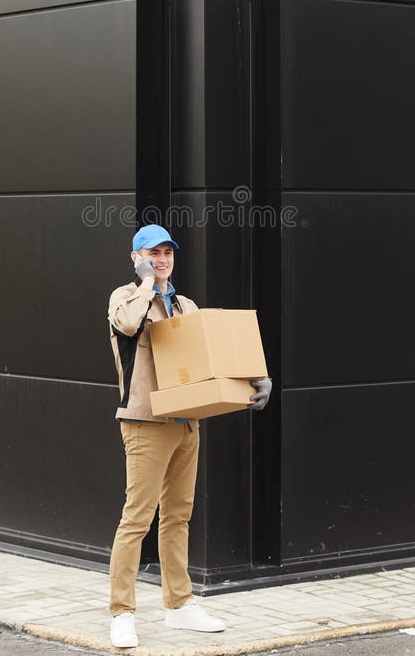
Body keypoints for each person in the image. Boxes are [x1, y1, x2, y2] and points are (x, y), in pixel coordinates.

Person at [107, 224, 272, 648]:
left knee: (178, 516)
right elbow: (127, 326)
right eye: (152, 253)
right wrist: (147, 283)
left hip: (186, 423)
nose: (161, 260)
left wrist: (255, 377)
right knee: (137, 520)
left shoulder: (186, 305)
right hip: (146, 423)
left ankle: (179, 606)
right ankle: (122, 613)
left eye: (167, 253)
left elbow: (212, 351)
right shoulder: (126, 297)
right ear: (136, 257)